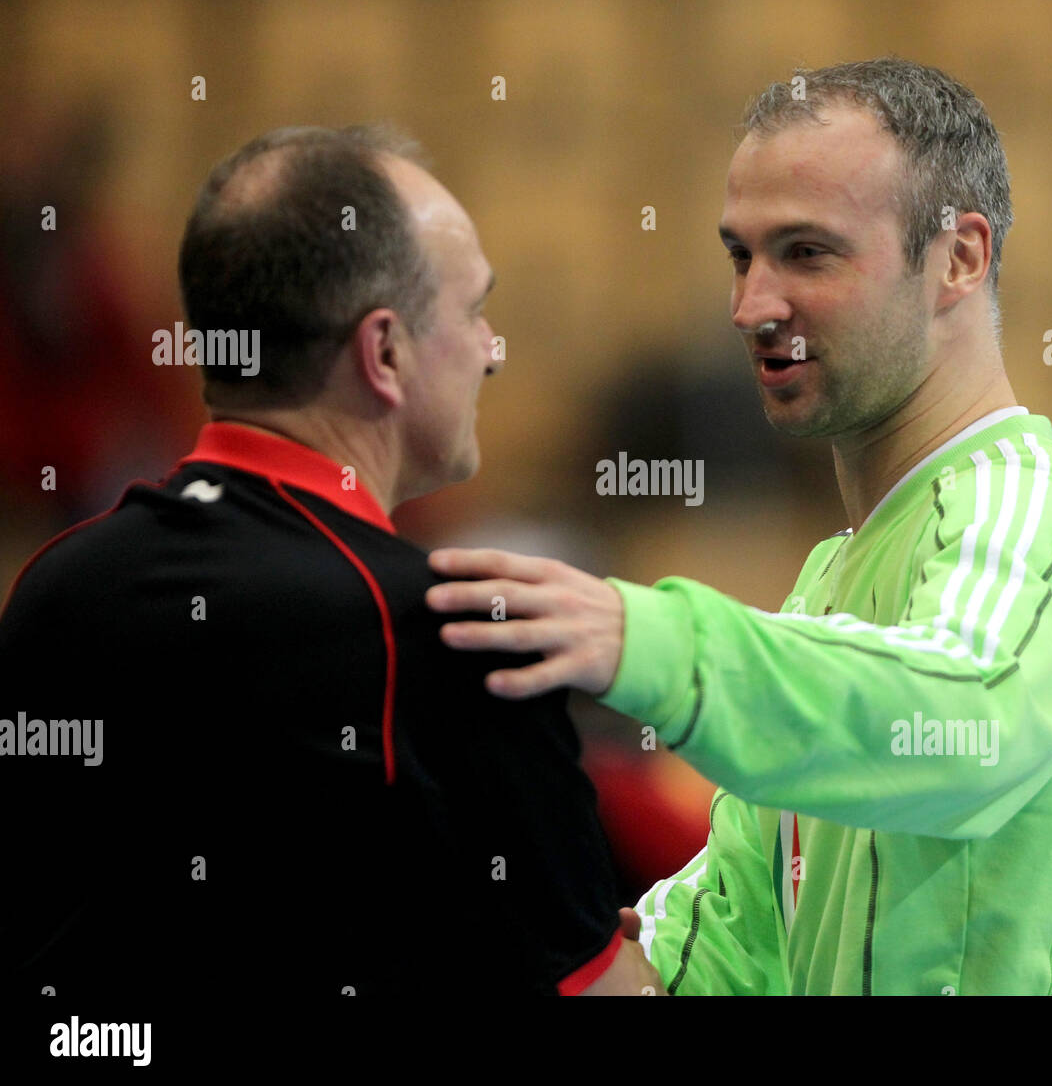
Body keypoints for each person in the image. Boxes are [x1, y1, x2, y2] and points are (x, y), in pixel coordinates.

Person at [424, 59, 1052, 995]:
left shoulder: (1028, 513)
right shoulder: (825, 589)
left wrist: (642, 641)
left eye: (807, 253)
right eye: (742, 255)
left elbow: (965, 721)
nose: (752, 307)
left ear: (960, 257)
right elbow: (702, 963)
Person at [0, 124, 662, 997]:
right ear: (384, 352)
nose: (494, 349)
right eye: (473, 312)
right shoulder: (455, 635)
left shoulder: (54, 586)